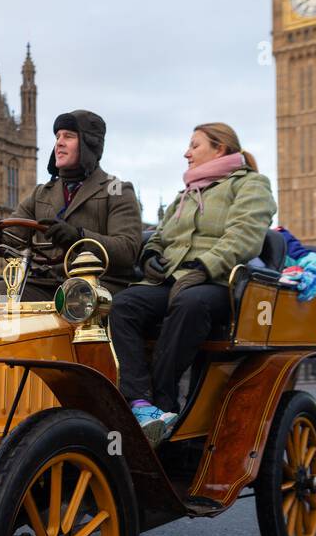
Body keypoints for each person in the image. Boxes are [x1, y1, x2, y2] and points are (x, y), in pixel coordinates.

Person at [110, 123, 276, 443]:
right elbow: (160, 235)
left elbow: (245, 237)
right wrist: (151, 255)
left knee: (190, 304)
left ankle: (165, 400)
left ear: (221, 148)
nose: (187, 153)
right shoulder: (186, 193)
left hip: (219, 283)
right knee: (124, 305)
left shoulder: (251, 185)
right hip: (174, 278)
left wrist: (204, 267)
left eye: (195, 145)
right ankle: (140, 402)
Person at [0, 110, 143, 298]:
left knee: (74, 301)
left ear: (89, 144)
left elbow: (127, 250)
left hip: (98, 283)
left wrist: (78, 237)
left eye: (68, 136)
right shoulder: (41, 193)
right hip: (50, 282)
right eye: (57, 136)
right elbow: (13, 239)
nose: (59, 143)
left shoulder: (116, 190)